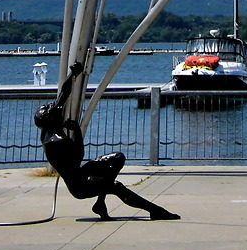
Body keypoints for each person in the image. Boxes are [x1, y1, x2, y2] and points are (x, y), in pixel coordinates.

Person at [36, 64, 180, 221]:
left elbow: (63, 94)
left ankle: (100, 202)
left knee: (117, 158)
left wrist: (73, 74)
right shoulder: (56, 141)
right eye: (49, 107)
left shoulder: (50, 125)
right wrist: (76, 130)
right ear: (51, 117)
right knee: (116, 187)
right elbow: (78, 154)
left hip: (81, 172)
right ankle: (155, 211)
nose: (53, 105)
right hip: (79, 185)